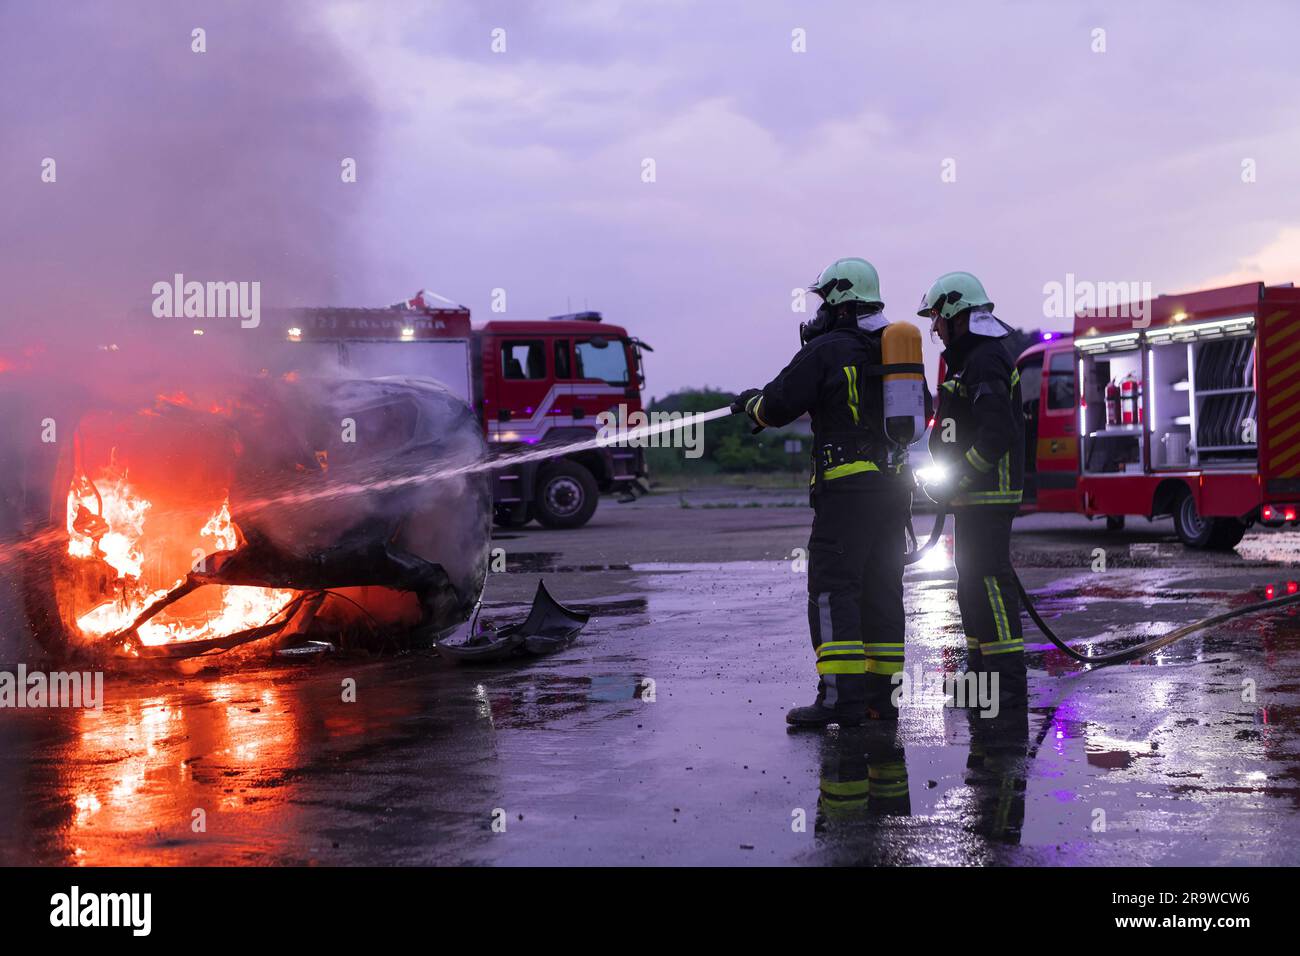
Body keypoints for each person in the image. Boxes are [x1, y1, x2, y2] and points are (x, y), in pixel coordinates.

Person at [734, 257, 921, 727]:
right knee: (882, 591)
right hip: (894, 490)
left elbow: (776, 405)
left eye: (823, 300)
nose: (817, 312)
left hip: (845, 492)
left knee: (834, 589)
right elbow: (923, 414)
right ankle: (882, 698)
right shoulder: (895, 349)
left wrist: (750, 405)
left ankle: (839, 699)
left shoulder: (827, 348)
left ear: (839, 301)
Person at [918, 271, 1027, 708]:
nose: (935, 329)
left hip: (987, 495)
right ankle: (980, 672)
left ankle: (1005, 679)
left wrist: (960, 476)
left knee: (991, 583)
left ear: (956, 315)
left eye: (938, 320)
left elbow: (997, 431)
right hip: (971, 496)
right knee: (972, 586)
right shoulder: (969, 359)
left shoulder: (984, 359)